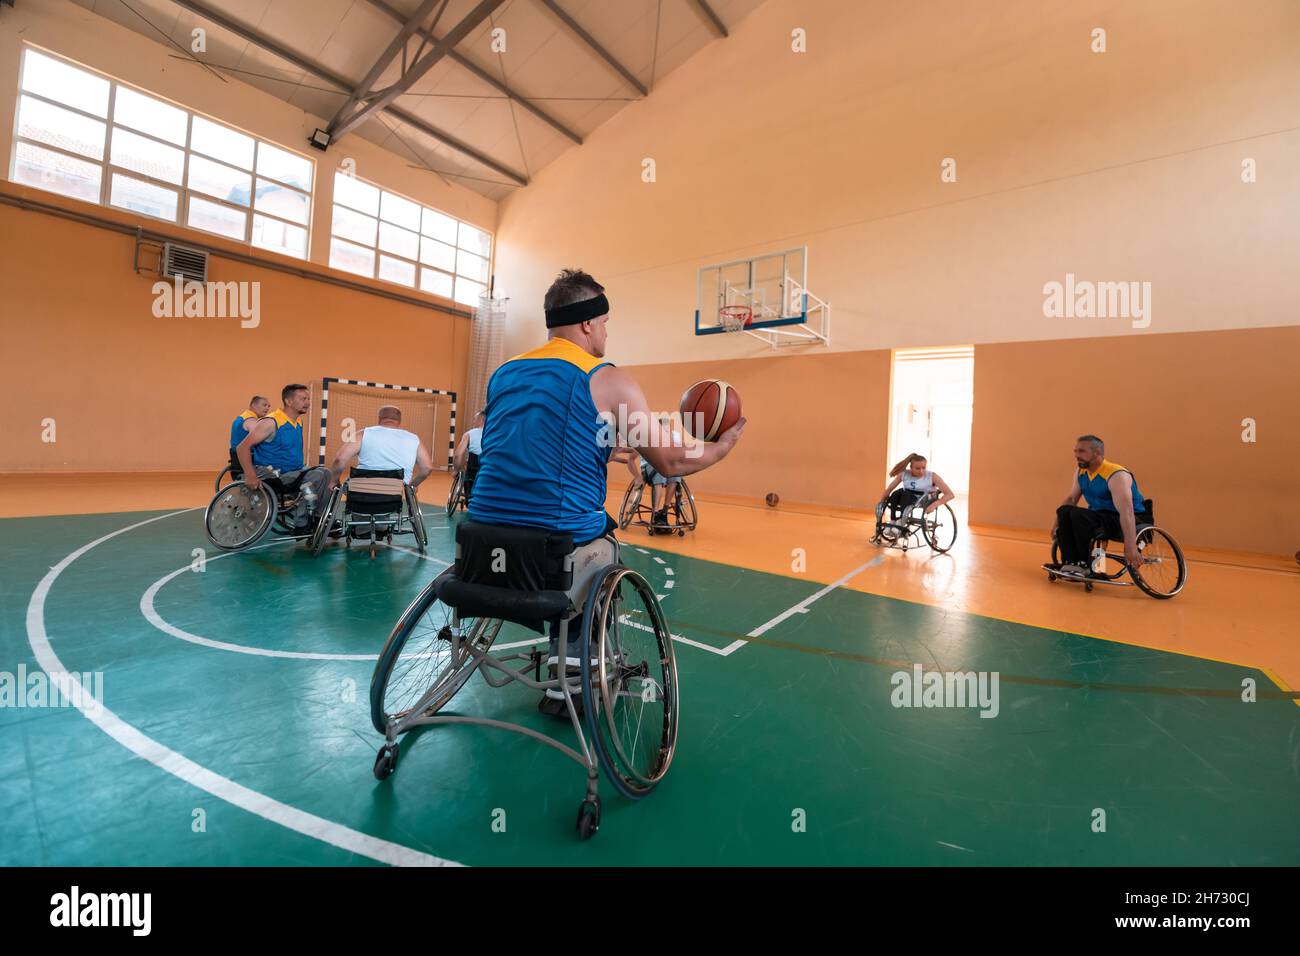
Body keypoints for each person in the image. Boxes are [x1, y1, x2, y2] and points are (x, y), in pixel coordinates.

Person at [469, 268, 745, 717]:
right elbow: (671, 462)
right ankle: (575, 672)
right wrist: (721, 448)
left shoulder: (503, 373)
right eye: (605, 322)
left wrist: (595, 439)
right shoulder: (607, 379)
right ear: (587, 323)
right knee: (603, 547)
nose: (606, 331)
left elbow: (530, 434)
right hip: (555, 545)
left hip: (480, 539)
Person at [234, 384, 332, 534]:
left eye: (308, 399)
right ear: (288, 401)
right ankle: (302, 524)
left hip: (293, 471)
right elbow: (242, 448)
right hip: (272, 475)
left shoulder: (298, 421)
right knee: (318, 475)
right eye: (303, 399)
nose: (308, 402)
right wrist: (250, 474)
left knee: (326, 473)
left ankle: (319, 519)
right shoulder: (271, 422)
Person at [1047, 434, 1149, 577]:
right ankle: (1071, 562)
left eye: (1081, 451)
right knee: (1064, 510)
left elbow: (1127, 513)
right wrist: (1056, 524)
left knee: (1078, 515)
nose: (1076, 455)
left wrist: (1131, 547)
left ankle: (1084, 563)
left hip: (1129, 518)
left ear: (1097, 453)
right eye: (1075, 451)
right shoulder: (1081, 472)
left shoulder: (1116, 475)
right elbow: (1071, 499)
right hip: (1101, 516)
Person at [329, 405, 433, 489]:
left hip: (361, 486)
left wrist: (334, 480)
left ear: (379, 419)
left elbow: (340, 459)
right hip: (396, 489)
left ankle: (358, 512)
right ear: (399, 421)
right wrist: (413, 485)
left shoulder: (363, 433)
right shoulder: (414, 439)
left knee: (341, 486)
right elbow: (427, 468)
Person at [873, 453, 955, 541]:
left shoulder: (932, 476)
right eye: (917, 468)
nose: (921, 471)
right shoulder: (904, 474)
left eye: (924, 468)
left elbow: (950, 494)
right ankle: (893, 521)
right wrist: (881, 502)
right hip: (907, 496)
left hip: (923, 497)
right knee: (895, 494)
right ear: (911, 468)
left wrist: (935, 504)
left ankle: (900, 522)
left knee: (906, 494)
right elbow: (889, 489)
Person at [452, 409, 485, 502]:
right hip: (490, 470)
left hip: (473, 469)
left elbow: (458, 455)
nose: (474, 422)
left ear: (481, 419)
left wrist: (456, 470)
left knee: (467, 475)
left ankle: (469, 498)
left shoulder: (469, 434)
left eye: (475, 419)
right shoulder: (494, 434)